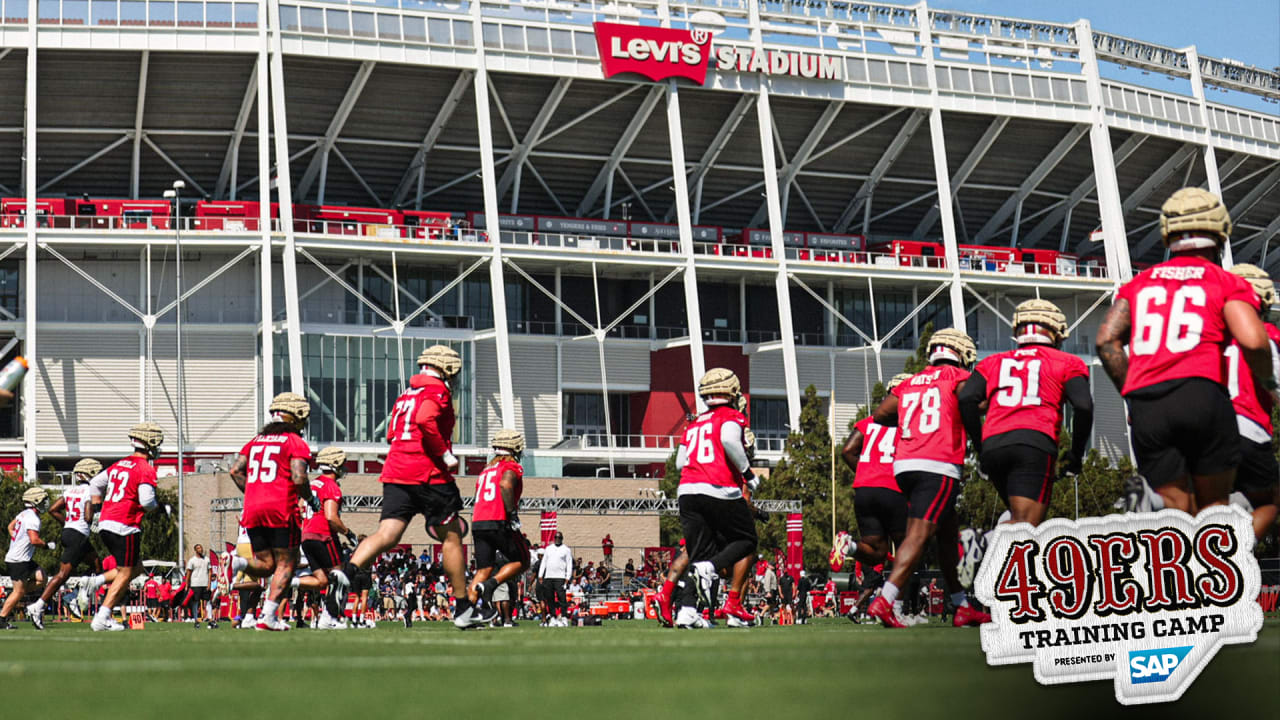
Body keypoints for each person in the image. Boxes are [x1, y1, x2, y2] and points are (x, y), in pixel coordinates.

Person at [1097, 188, 1272, 512]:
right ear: (1220, 232)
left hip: (1148, 403)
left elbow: (1106, 339)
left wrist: (1132, 394)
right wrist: (1268, 381)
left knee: (1179, 509)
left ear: (1167, 234)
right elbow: (1253, 341)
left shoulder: (1139, 283)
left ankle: (1155, 500)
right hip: (1201, 396)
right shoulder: (1224, 281)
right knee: (1214, 509)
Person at [337, 346, 475, 625]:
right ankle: (463, 608)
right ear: (446, 369)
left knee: (387, 534)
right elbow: (425, 419)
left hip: (396, 470)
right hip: (428, 473)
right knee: (451, 537)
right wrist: (445, 454)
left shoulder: (405, 395)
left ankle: (346, 572)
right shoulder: (436, 391)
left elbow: (392, 434)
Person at [870, 329, 989, 629]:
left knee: (947, 533)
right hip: (938, 461)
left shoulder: (910, 381)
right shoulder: (957, 379)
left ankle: (962, 605)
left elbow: (881, 414)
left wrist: (917, 415)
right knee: (919, 534)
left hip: (906, 462)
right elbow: (973, 402)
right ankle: (885, 599)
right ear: (960, 353)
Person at [960, 300, 1093, 526]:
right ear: (1057, 333)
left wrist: (981, 446)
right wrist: (1076, 454)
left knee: (1018, 518)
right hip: (1033, 443)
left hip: (994, 444)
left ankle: (999, 555)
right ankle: (994, 558)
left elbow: (966, 398)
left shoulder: (992, 362)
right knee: (1025, 525)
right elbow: (1083, 406)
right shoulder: (1068, 362)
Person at [656, 369, 760, 629]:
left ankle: (687, 611)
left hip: (687, 491)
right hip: (717, 486)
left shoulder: (694, 422)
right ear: (730, 391)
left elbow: (680, 462)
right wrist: (748, 472)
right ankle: (714, 576)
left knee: (699, 554)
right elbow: (727, 439)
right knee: (746, 540)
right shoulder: (730, 416)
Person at [227, 393, 319, 632]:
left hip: (253, 508)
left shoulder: (256, 440)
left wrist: (255, 492)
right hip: (280, 508)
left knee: (267, 565)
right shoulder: (294, 441)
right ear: (298, 417)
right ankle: (268, 616)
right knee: (289, 562)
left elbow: (236, 470)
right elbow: (299, 477)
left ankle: (238, 562)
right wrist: (309, 498)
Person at [835, 373, 911, 620]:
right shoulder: (909, 424)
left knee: (876, 552)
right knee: (905, 550)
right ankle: (897, 609)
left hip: (864, 490)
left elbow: (847, 451)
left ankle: (851, 545)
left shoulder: (868, 422)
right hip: (893, 488)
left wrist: (868, 472)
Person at [90, 422, 165, 632]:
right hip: (126, 524)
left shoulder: (119, 464)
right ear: (150, 442)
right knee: (127, 571)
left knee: (136, 568)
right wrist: (160, 508)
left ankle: (96, 582)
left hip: (105, 522)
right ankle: (102, 617)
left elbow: (95, 483)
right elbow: (147, 501)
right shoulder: (145, 468)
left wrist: (97, 510)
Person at [1223, 264, 1280, 539]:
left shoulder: (1207, 333)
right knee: (1270, 501)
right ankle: (1235, 555)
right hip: (1247, 425)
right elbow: (1275, 381)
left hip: (1198, 426)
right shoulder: (1265, 333)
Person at [467, 429, 532, 627]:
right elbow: (505, 485)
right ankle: (489, 586)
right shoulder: (510, 466)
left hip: (478, 521)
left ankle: (466, 613)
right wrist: (511, 513)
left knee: (483, 568)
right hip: (498, 519)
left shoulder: (486, 469)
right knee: (523, 560)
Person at [28, 459, 102, 628]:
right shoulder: (90, 490)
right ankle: (38, 605)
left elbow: (53, 509)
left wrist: (68, 522)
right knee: (63, 574)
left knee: (97, 566)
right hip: (78, 534)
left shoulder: (70, 491)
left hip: (70, 532)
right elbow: (89, 517)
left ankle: (75, 595)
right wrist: (98, 514)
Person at [297, 446, 357, 630]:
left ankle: (287, 582)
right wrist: (348, 533)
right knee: (340, 575)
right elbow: (331, 517)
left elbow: (300, 507)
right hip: (323, 535)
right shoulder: (331, 486)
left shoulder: (314, 484)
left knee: (322, 580)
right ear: (336, 464)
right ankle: (330, 617)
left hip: (306, 536)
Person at [1, 487, 51, 629]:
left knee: (42, 578)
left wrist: (17, 540)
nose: (45, 503)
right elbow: (34, 540)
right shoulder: (32, 518)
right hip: (18, 560)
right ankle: (2, 618)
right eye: (42, 500)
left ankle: (15, 594)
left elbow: (10, 527)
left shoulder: (23, 514)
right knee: (19, 592)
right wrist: (47, 545)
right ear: (35, 501)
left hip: (22, 558)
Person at [539, 531, 573, 627]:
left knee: (562, 598)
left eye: (559, 538)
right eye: (556, 537)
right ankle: (553, 617)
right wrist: (540, 575)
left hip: (560, 577)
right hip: (549, 577)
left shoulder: (566, 549)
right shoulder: (548, 549)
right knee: (550, 598)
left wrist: (567, 577)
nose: (558, 539)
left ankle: (564, 617)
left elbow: (569, 564)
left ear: (562, 538)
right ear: (554, 538)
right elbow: (544, 562)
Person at [184, 544, 215, 628]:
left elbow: (209, 572)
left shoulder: (207, 559)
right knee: (195, 602)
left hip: (205, 584)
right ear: (195, 550)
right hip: (195, 584)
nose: (200, 549)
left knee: (208, 601)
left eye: (201, 548)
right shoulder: (192, 561)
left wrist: (209, 583)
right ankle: (196, 620)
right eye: (198, 548)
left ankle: (211, 619)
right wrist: (187, 584)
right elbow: (188, 573)